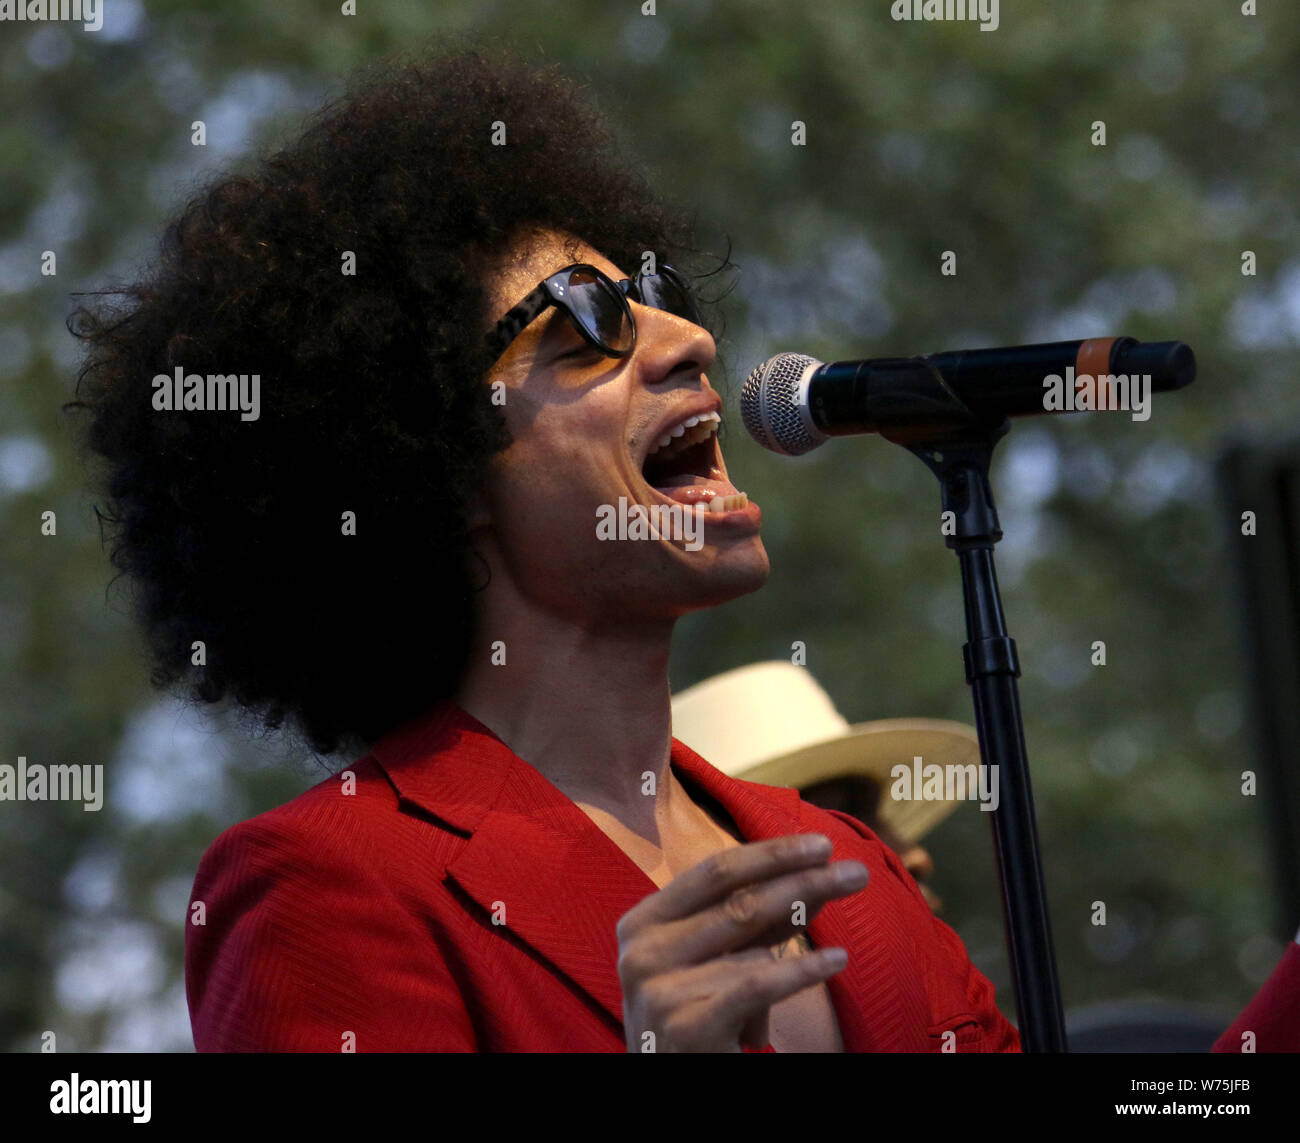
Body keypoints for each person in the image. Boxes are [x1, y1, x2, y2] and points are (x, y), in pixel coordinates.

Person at [69, 44, 1296, 1053]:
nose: (686, 337)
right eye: (587, 324)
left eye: (655, 290)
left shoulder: (843, 867)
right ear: (422, 461)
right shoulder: (327, 886)